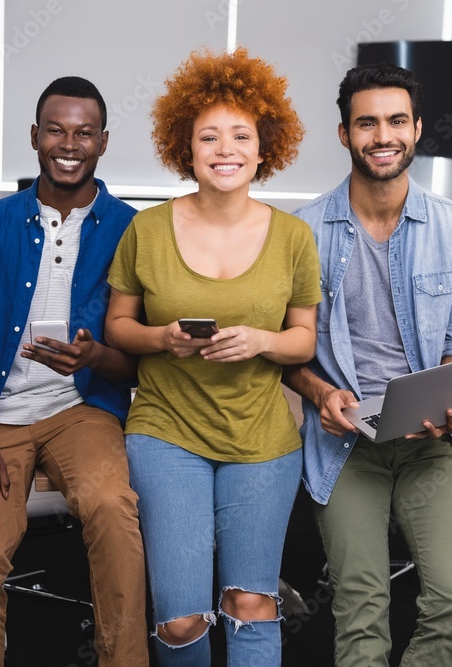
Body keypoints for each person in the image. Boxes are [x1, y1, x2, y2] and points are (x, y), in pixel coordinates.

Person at [105, 48, 319, 665]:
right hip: (167, 432)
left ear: (263, 148)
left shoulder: (293, 237)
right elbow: (119, 326)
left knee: (251, 603)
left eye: (240, 136)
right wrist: (162, 338)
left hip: (262, 440)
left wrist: (262, 341)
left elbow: (303, 339)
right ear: (186, 148)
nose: (225, 148)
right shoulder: (146, 229)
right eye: (208, 136)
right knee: (181, 619)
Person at [284, 62, 452, 666]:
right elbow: (288, 352)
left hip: (433, 442)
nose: (383, 136)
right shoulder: (301, 233)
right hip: (346, 442)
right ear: (344, 133)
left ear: (418, 127)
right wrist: (319, 392)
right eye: (366, 122)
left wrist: (450, 403)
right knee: (360, 606)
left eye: (397, 120)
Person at [0, 76, 148, 667]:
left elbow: (136, 359)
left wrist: (93, 357)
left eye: (84, 132)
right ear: (35, 137)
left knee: (113, 509)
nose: (69, 143)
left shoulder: (132, 230)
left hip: (80, 408)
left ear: (103, 141)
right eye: (56, 130)